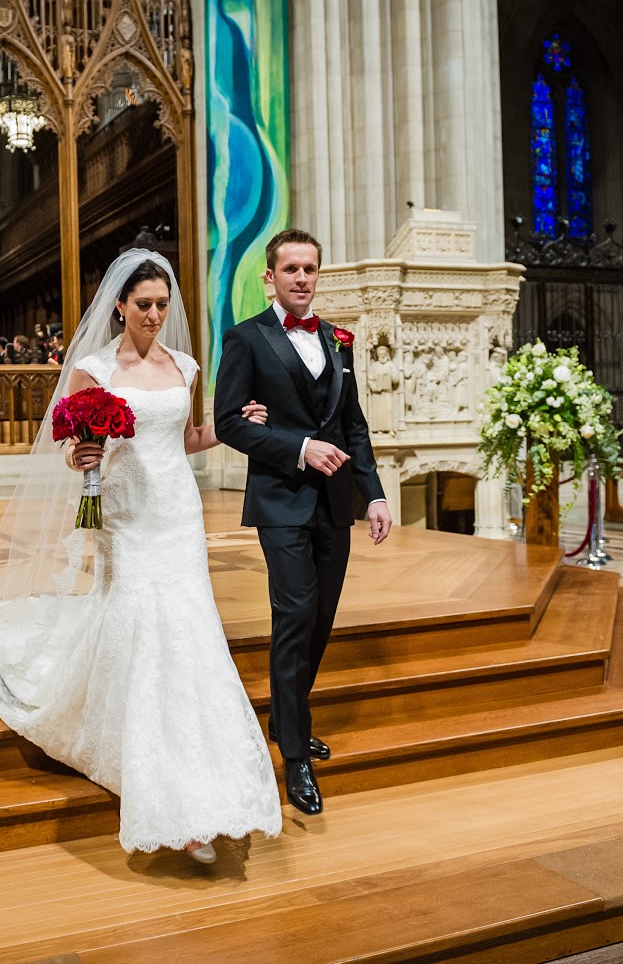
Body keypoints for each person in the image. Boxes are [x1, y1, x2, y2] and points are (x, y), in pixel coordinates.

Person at [0, 250, 279, 865]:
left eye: (163, 305)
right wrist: (81, 458)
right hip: (126, 519)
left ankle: (199, 775)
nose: (155, 315)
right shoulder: (94, 370)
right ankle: (160, 783)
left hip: (177, 515)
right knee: (140, 625)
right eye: (144, 305)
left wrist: (231, 428)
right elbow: (72, 450)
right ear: (121, 306)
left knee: (186, 629)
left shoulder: (185, 366)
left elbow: (184, 441)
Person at [213, 227, 393, 818]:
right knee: (293, 616)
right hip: (281, 500)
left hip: (335, 503)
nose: (300, 278)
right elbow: (231, 423)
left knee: (320, 619)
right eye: (290, 269)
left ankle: (287, 715)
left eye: (309, 269)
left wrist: (375, 495)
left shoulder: (338, 339)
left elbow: (355, 426)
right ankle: (294, 755)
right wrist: (298, 448)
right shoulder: (246, 339)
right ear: (270, 276)